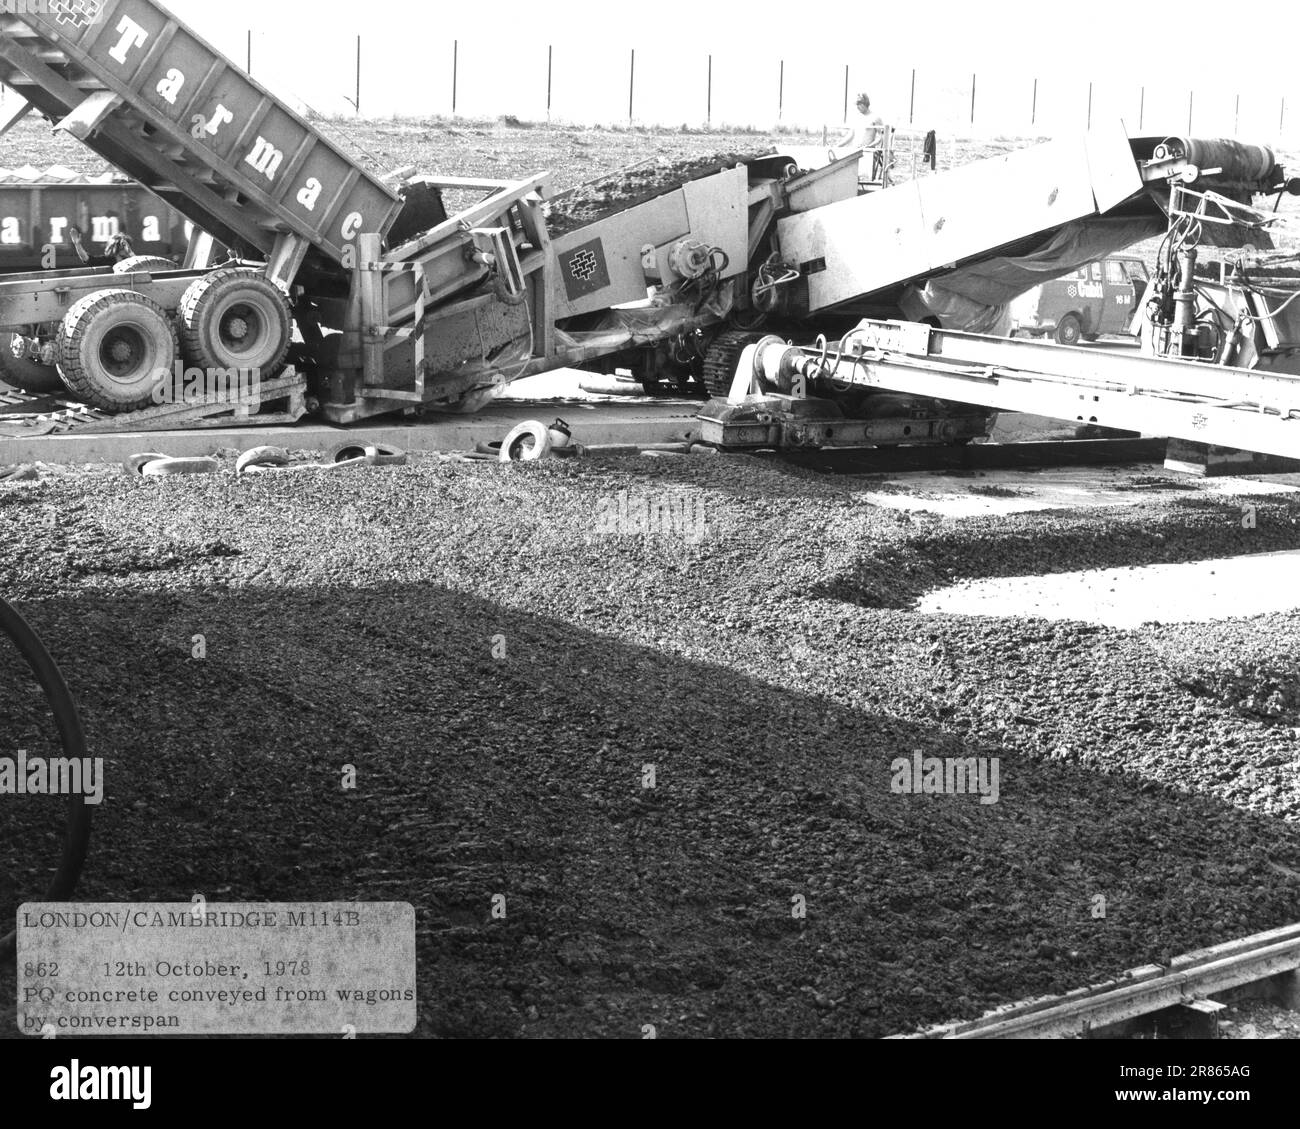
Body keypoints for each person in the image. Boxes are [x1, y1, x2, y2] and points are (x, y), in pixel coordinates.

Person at [833, 93, 887, 180]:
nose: (857, 107)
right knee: (850, 178)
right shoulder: (856, 118)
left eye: (859, 104)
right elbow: (850, 135)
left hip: (867, 153)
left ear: (865, 103)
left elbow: (881, 137)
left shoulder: (875, 118)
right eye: (856, 104)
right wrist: (837, 146)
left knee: (864, 178)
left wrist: (869, 146)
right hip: (854, 152)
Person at [68, 226, 134, 267]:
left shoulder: (131, 261)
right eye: (122, 246)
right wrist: (77, 245)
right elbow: (87, 258)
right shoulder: (108, 260)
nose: (125, 248)